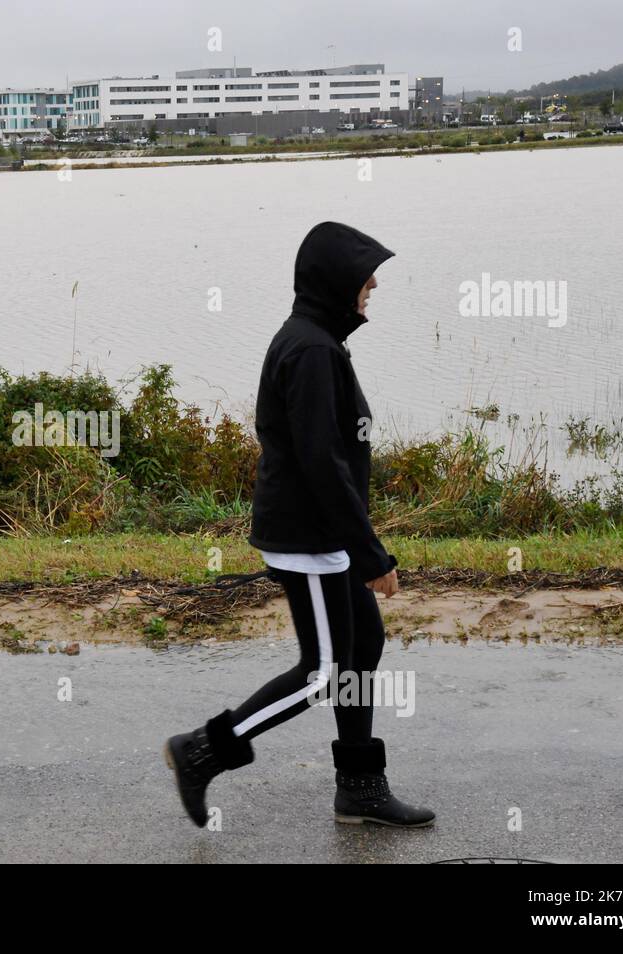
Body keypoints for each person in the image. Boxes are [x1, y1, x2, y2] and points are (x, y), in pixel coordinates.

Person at [164, 221, 434, 829]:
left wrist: (358, 545)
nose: (373, 286)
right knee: (323, 672)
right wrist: (371, 555)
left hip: (326, 535)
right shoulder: (311, 348)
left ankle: (360, 788)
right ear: (336, 280)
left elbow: (332, 458)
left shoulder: (319, 341)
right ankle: (204, 750)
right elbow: (321, 462)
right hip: (309, 540)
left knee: (362, 646)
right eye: (366, 275)